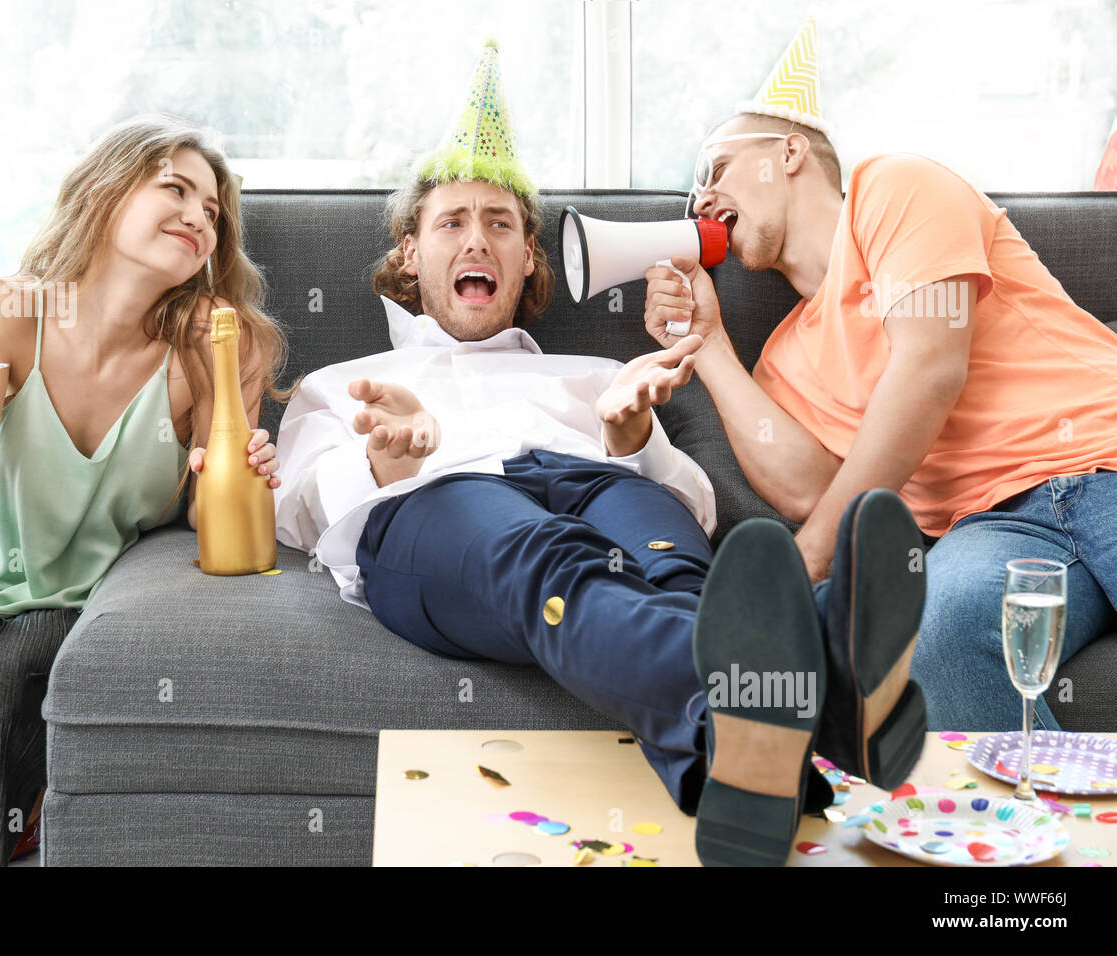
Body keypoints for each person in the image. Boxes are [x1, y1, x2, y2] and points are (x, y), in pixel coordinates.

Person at [275, 41, 928, 866]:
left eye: (501, 224)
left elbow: (691, 503)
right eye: (453, 222)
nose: (478, 241)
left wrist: (633, 441)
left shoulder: (593, 376)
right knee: (549, 553)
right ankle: (825, 694)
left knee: (684, 581)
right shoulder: (348, 381)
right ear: (412, 252)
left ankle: (746, 775)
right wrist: (388, 460)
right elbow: (290, 505)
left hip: (596, 477)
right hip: (438, 500)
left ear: (525, 260)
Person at [0, 115, 290, 867]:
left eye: (213, 212)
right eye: (175, 188)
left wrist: (247, 475)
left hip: (45, 630)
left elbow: (215, 523)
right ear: (106, 191)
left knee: (44, 646)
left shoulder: (211, 342)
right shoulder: (13, 311)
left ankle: (11, 803)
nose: (199, 218)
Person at [644, 18, 1117, 731]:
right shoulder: (783, 358)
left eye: (715, 170)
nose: (701, 201)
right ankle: (1041, 842)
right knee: (932, 631)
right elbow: (814, 488)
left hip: (1105, 461)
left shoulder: (893, 188)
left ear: (790, 152)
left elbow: (929, 371)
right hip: (992, 529)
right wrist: (707, 344)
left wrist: (807, 560)